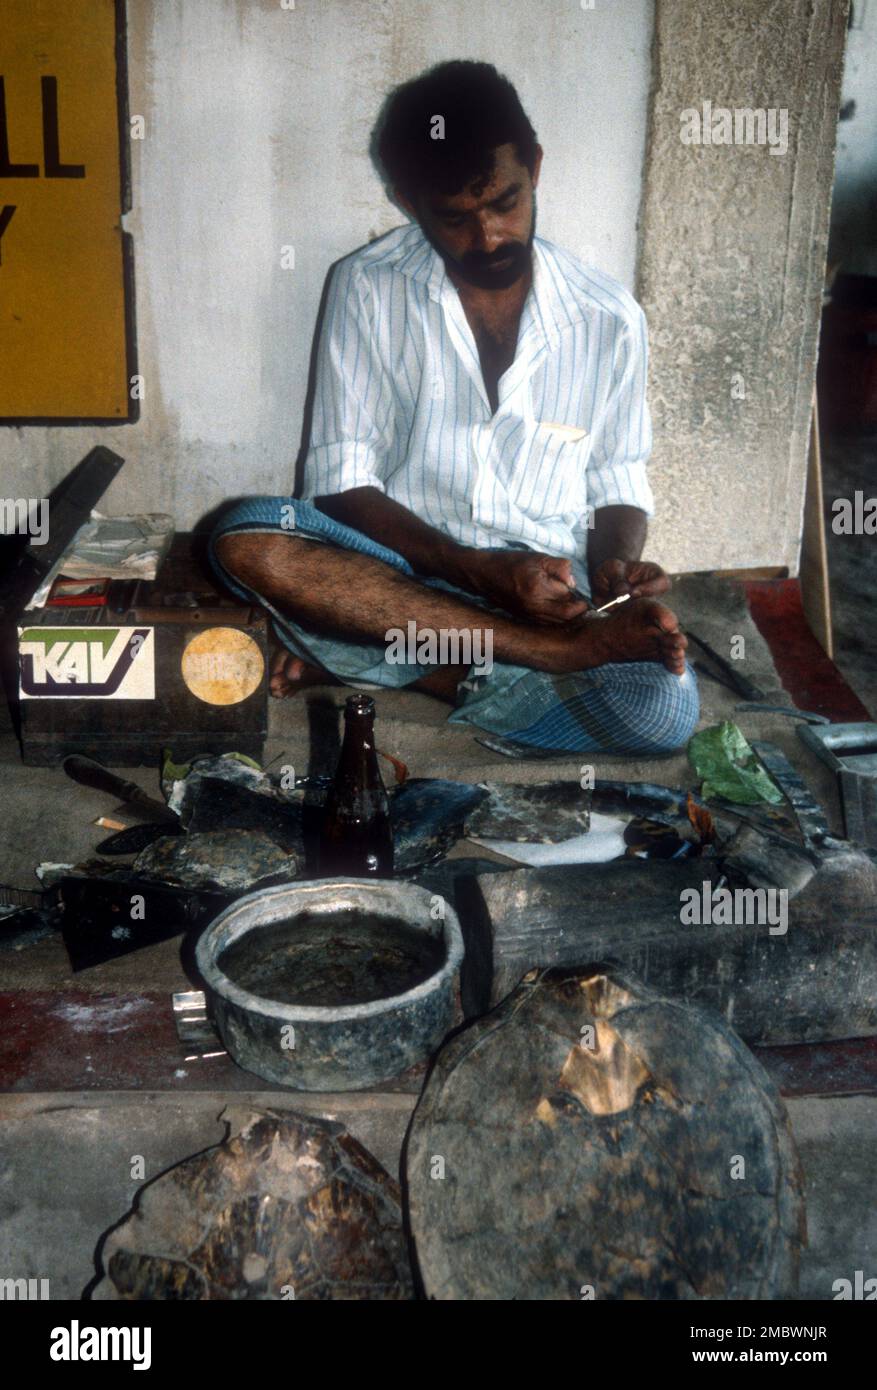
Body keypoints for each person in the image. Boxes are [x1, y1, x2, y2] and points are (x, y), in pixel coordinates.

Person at [210, 60, 698, 754]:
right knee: (246, 535)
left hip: (550, 588)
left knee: (659, 713)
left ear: (533, 167)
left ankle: (402, 663)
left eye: (505, 201)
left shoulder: (608, 316)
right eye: (456, 218)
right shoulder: (367, 286)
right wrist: (470, 569)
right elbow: (339, 480)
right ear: (408, 202)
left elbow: (616, 478)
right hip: (403, 573)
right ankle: (533, 660)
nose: (489, 237)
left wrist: (615, 573)